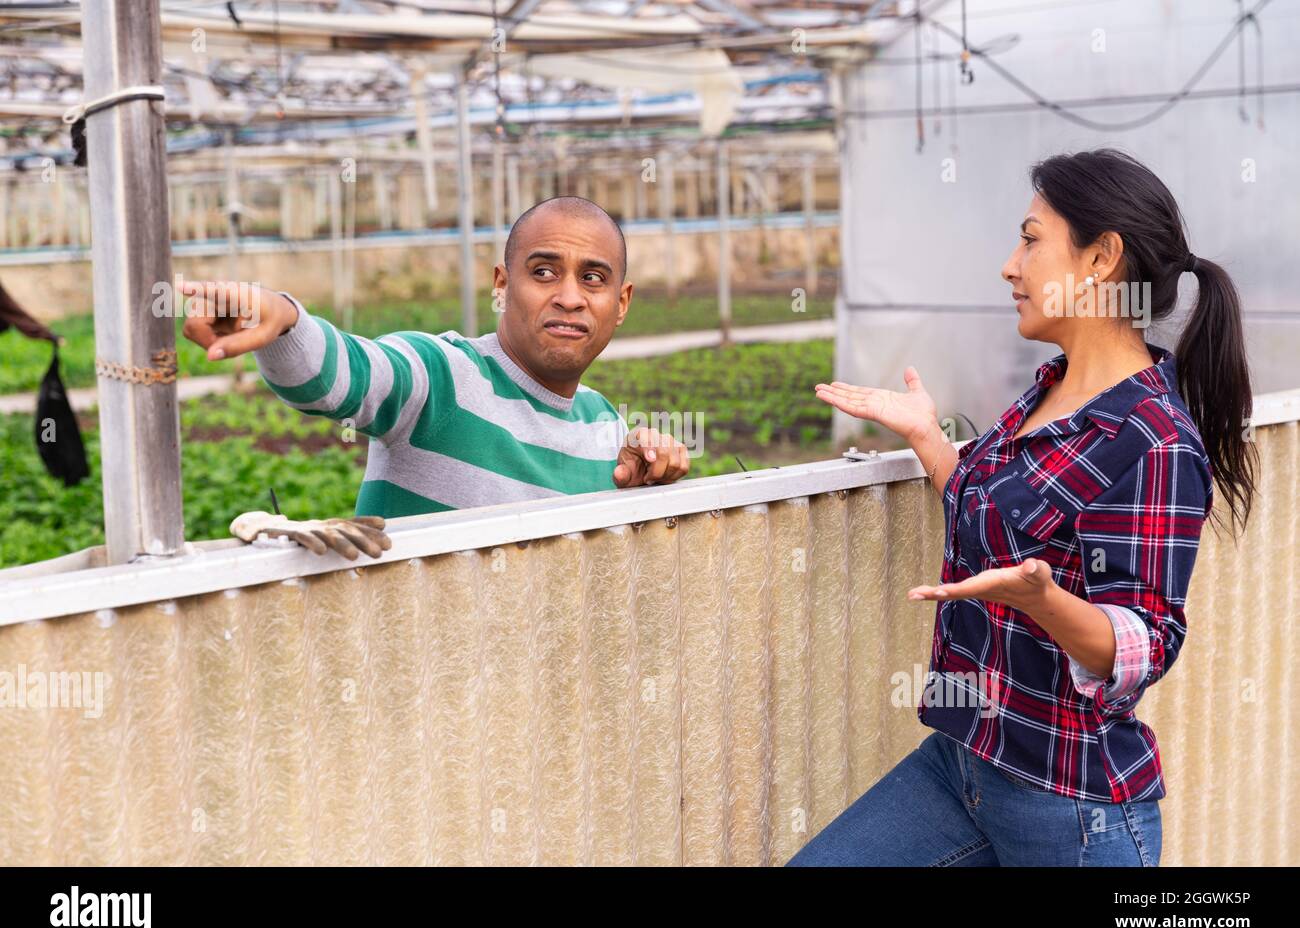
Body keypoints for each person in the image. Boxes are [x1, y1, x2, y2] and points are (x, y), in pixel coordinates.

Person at [797, 148, 1257, 866]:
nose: (1011, 265)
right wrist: (928, 437)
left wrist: (1043, 599)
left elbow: (1146, 644)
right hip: (963, 761)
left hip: (1070, 808)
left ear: (1101, 259)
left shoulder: (1153, 442)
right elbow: (1002, 521)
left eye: (1032, 239)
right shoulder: (1048, 389)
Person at [180, 196, 690, 529]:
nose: (570, 297)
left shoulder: (606, 425)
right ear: (502, 284)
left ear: (621, 303)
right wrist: (287, 321)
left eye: (593, 279)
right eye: (543, 272)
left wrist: (648, 491)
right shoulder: (443, 375)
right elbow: (349, 378)